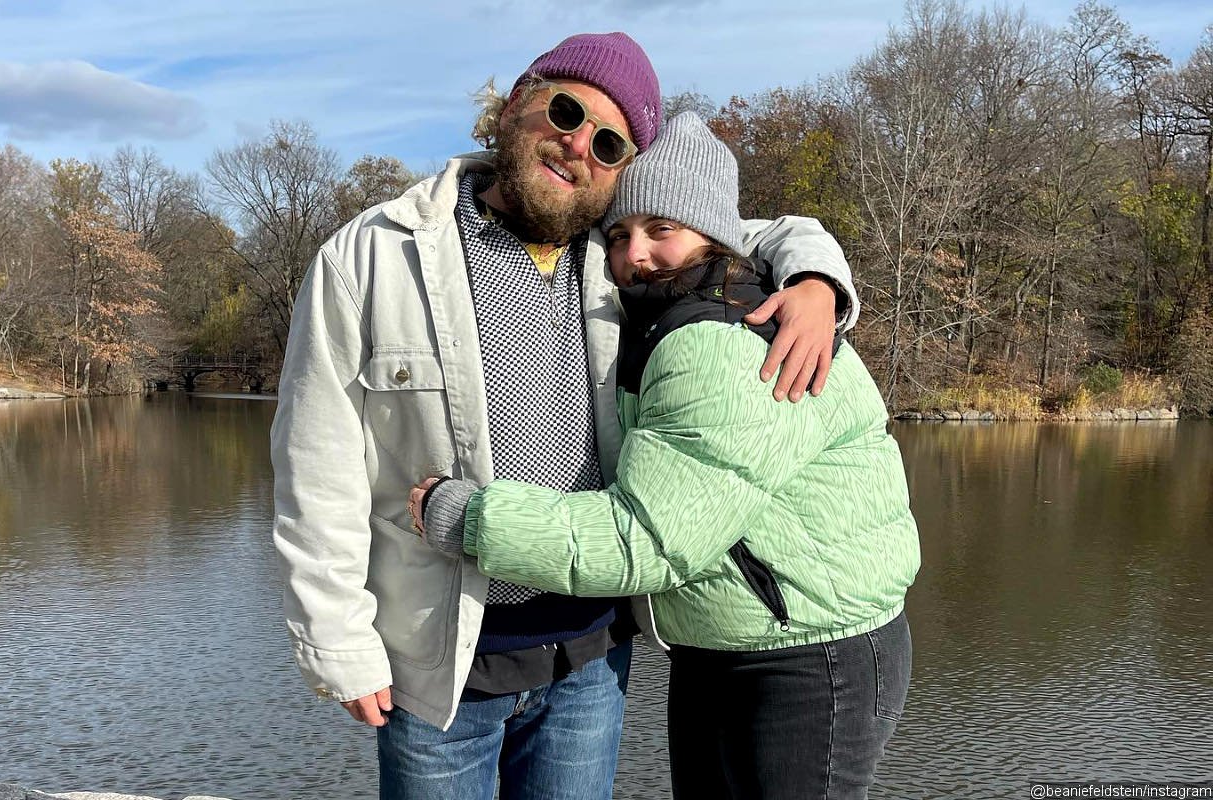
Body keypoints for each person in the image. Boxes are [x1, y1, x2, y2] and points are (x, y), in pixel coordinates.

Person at [271, 33, 861, 800]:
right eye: (566, 110)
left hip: (589, 662)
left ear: (620, 170)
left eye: (609, 142)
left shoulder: (622, 248)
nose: (578, 142)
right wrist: (337, 642)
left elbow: (756, 231)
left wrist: (818, 280)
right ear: (516, 103)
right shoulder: (373, 255)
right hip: (437, 664)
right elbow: (317, 468)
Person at [411, 112, 920, 800]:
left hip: (810, 654)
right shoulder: (673, 311)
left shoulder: (719, 342)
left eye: (661, 231)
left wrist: (468, 514)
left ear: (712, 237)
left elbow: (643, 540)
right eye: (618, 235)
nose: (635, 254)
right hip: (728, 640)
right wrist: (819, 277)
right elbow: (770, 229)